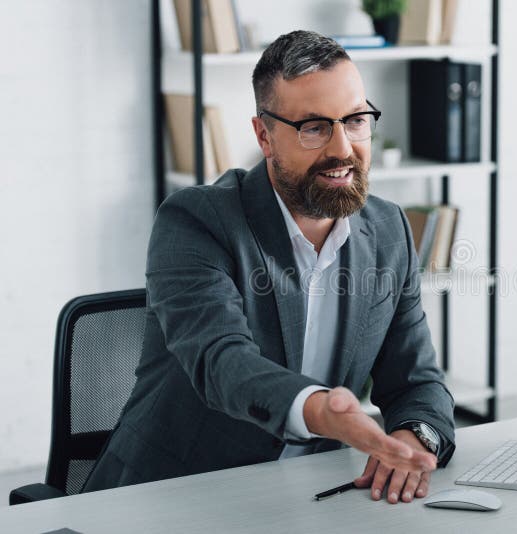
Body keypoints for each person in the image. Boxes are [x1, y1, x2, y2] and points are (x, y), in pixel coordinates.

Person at [82, 30, 455, 505]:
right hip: (172, 496)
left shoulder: (388, 230)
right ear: (265, 136)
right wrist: (317, 410)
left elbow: (418, 379)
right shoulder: (197, 221)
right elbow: (224, 362)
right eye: (315, 127)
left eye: (356, 120)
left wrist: (413, 437)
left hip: (306, 497)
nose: (343, 147)